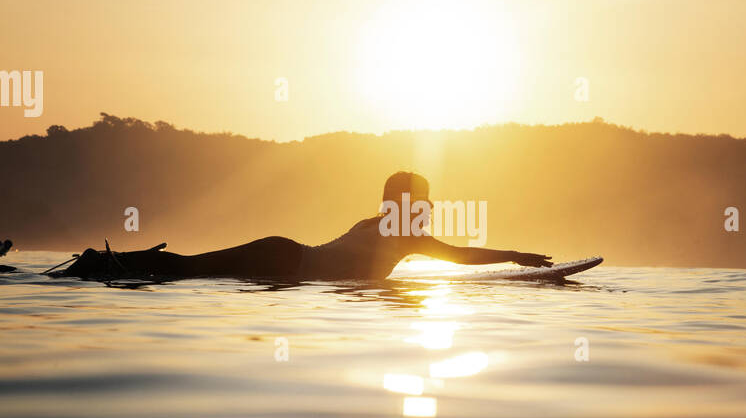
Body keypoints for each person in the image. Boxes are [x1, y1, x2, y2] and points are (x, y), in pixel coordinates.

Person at [55, 171, 552, 282]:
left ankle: (107, 263)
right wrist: (517, 257)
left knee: (189, 269)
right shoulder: (408, 235)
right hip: (284, 262)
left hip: (284, 254)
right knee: (188, 272)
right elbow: (462, 256)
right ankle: (109, 266)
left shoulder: (378, 222)